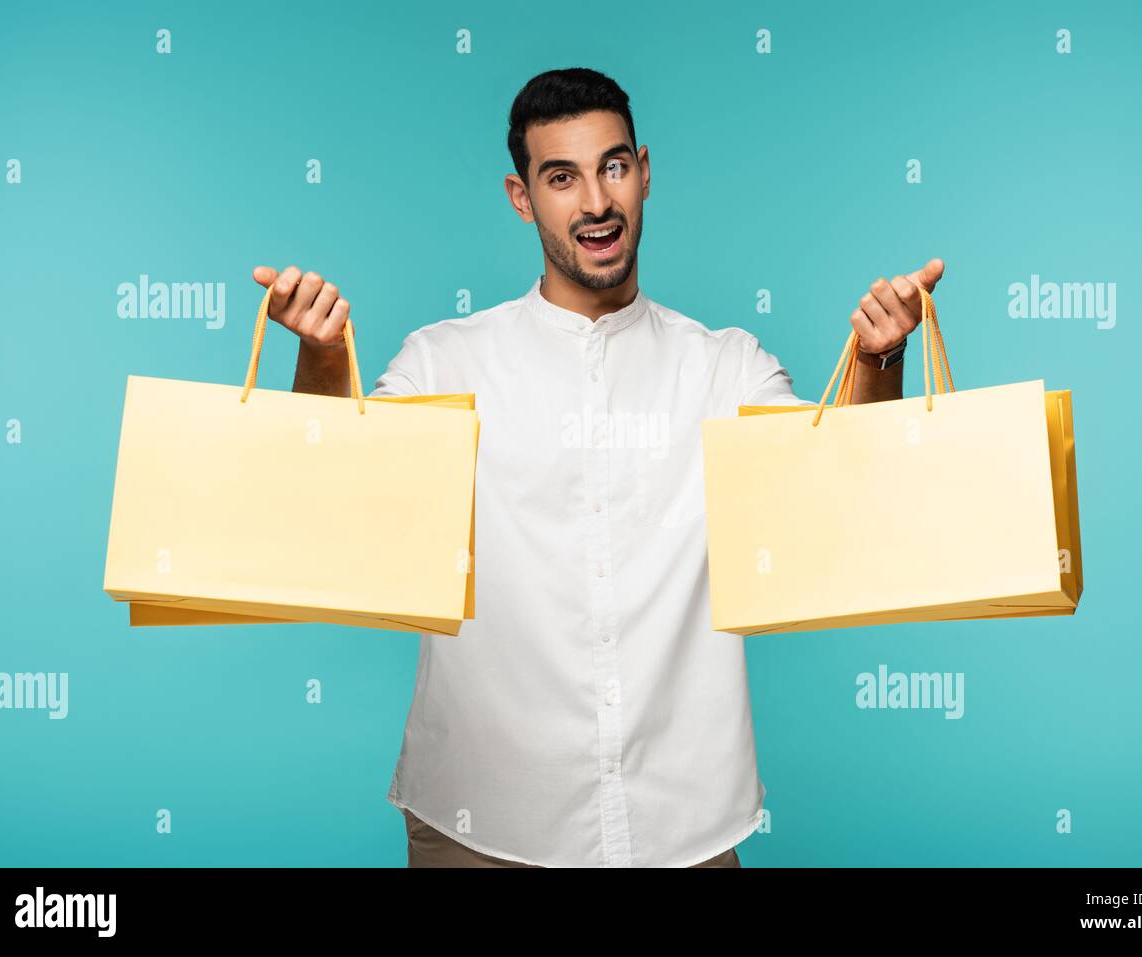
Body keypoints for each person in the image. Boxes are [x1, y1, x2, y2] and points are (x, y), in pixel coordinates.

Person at [251, 67, 944, 868]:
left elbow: (836, 499)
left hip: (685, 829)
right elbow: (340, 496)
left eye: (613, 167)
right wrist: (320, 358)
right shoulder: (443, 362)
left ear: (644, 171)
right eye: (561, 177)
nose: (595, 202)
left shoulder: (725, 367)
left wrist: (882, 360)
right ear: (522, 197)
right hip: (479, 826)